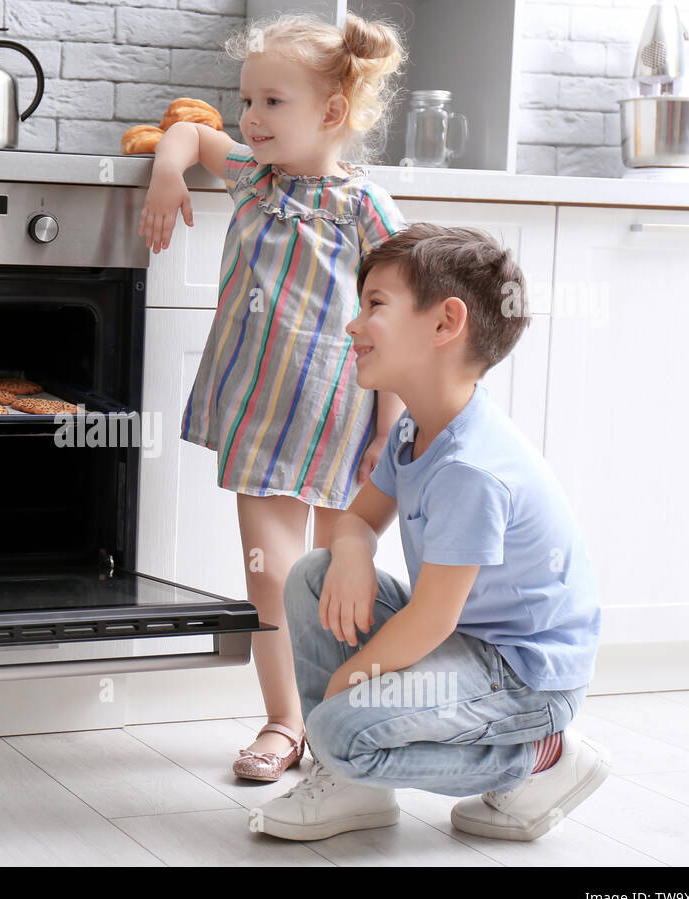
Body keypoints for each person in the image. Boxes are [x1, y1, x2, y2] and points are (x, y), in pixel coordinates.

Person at [256, 222, 611, 842]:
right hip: (468, 643)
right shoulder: (416, 428)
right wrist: (351, 550)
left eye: (375, 306)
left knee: (340, 725)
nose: (353, 325)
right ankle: (355, 783)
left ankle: (542, 759)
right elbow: (359, 519)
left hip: (524, 679)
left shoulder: (471, 468)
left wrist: (348, 686)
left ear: (446, 324)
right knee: (316, 577)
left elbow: (433, 619)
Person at [139, 12, 409, 780]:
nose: (250, 119)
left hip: (345, 422)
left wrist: (390, 426)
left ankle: (338, 727)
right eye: (247, 100)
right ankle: (283, 723)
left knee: (336, 586)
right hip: (258, 419)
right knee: (269, 578)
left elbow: (398, 321)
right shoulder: (253, 180)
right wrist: (166, 172)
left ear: (331, 113)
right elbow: (191, 135)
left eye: (271, 103)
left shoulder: (367, 210)